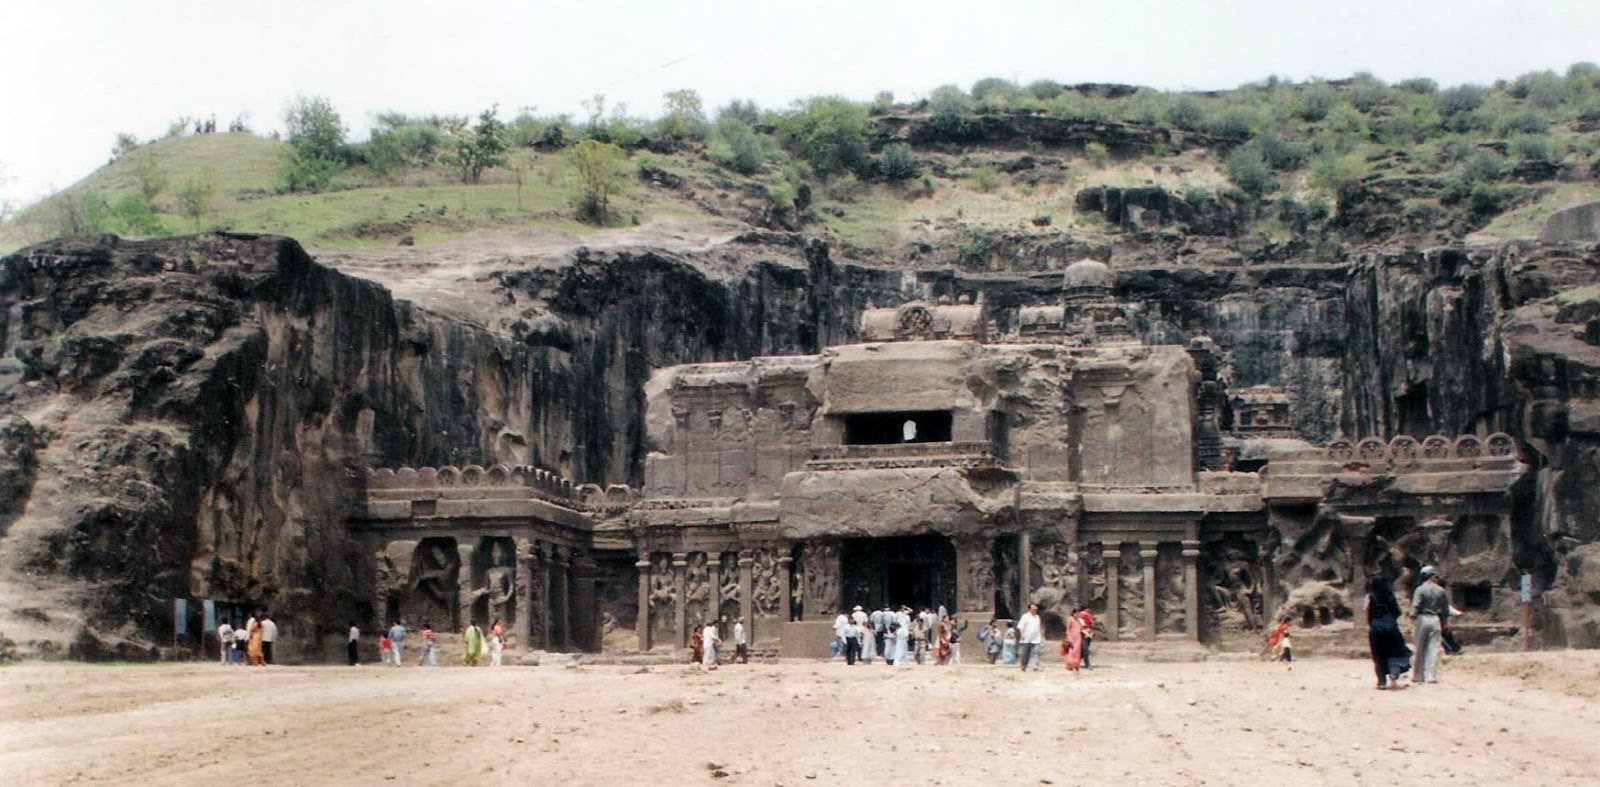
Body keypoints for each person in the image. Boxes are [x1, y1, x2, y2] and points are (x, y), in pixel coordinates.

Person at [1365, 575, 1413, 690]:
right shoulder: (1390, 596)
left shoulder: (1370, 597)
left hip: (1375, 630)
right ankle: (1394, 672)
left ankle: (1381, 682)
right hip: (1390, 628)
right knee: (1396, 651)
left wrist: (1375, 623)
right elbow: (1397, 611)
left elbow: (1368, 614)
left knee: (1378, 655)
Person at [1410, 565, 1451, 684]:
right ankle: (1430, 676)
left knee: (1419, 647)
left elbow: (1415, 605)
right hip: (1435, 619)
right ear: (1432, 576)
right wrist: (1445, 623)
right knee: (1434, 648)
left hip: (1422, 618)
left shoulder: (1420, 589)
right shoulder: (1440, 590)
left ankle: (1418, 675)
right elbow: (1445, 609)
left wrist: (1412, 617)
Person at [1016, 603, 1043, 672]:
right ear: (1029, 609)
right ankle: (1023, 666)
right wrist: (1022, 635)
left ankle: (1035, 666)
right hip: (1027, 638)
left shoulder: (1037, 617)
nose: (1034, 610)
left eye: (1035, 609)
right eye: (1033, 609)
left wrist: (1040, 635)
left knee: (1036, 652)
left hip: (1036, 638)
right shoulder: (1025, 616)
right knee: (1025, 653)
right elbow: (1020, 626)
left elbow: (1038, 627)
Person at [1060, 605, 1084, 673]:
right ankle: (1071, 665)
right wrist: (1068, 637)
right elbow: (1067, 629)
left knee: (1077, 652)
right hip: (1072, 637)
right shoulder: (1070, 619)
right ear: (1073, 613)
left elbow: (1081, 628)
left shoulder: (1079, 620)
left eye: (1078, 613)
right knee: (1072, 651)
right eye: (1076, 613)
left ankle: (1076, 665)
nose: (1077, 614)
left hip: (1078, 637)